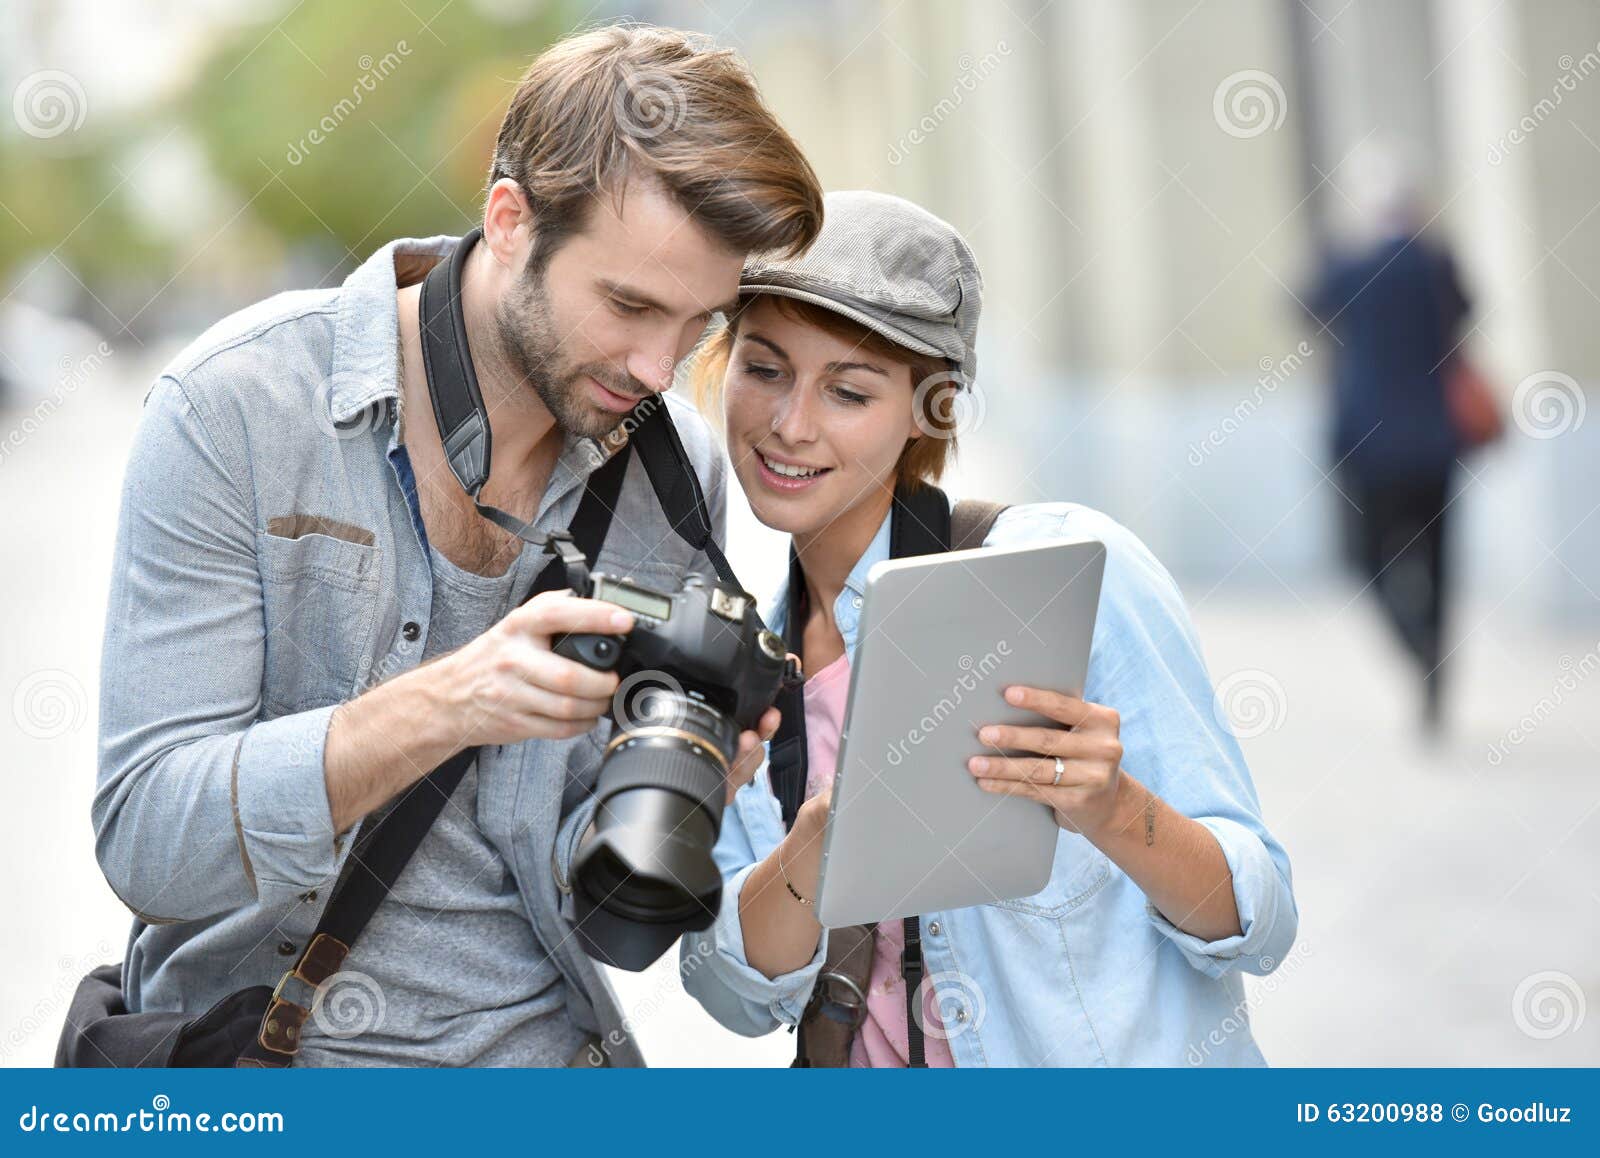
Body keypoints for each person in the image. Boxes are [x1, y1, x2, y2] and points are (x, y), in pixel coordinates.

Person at [92, 24, 817, 1067]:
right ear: (511, 220)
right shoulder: (237, 411)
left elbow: (583, 883)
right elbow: (149, 839)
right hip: (267, 1063)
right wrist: (447, 704)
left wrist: (680, 790)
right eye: (628, 305)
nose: (660, 369)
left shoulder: (672, 474)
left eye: (700, 324)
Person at [681, 191, 1298, 1066]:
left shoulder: (1067, 576)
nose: (790, 425)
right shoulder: (741, 662)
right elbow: (730, 992)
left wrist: (1115, 810)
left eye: (848, 391)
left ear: (925, 412)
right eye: (765, 368)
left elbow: (1259, 920)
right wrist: (817, 849)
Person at [1305, 142, 1470, 736]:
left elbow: (1303, 305)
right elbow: (1468, 309)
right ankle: (1435, 665)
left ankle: (1414, 640)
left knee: (1366, 559)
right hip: (1434, 441)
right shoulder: (1436, 261)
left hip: (1366, 445)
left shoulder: (1349, 266)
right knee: (1439, 562)